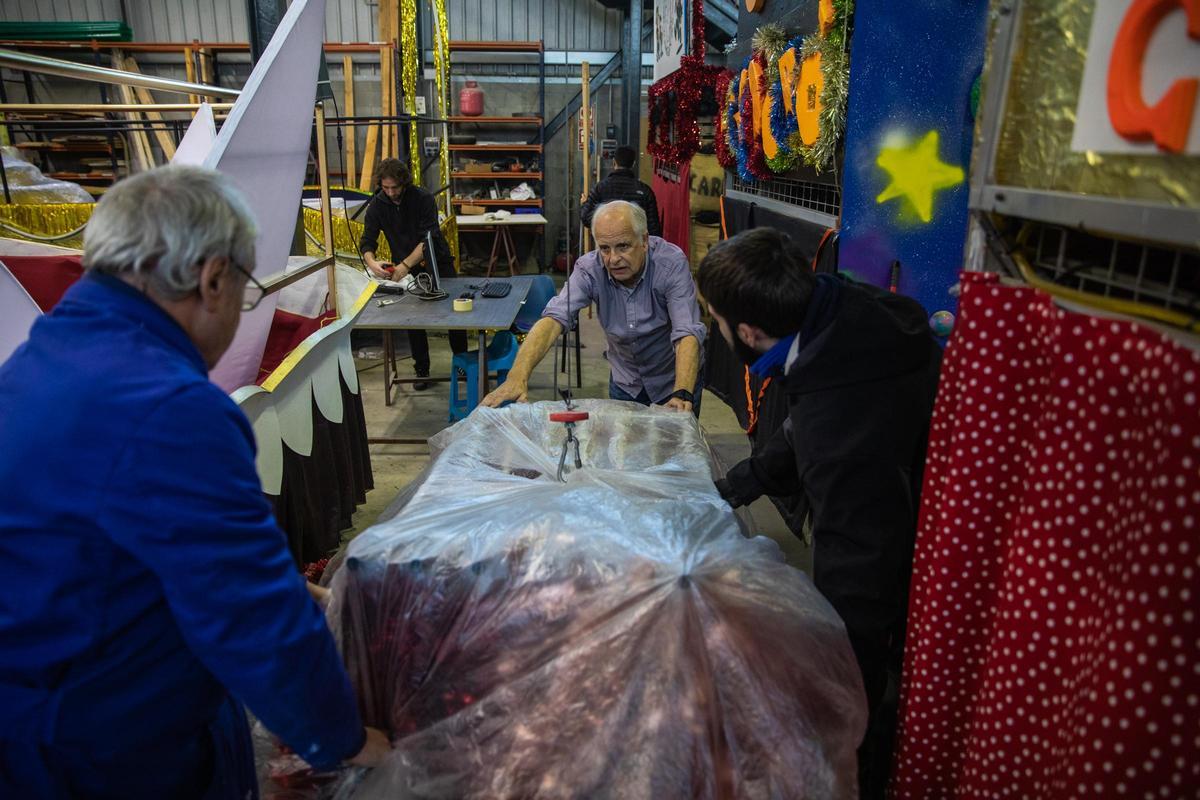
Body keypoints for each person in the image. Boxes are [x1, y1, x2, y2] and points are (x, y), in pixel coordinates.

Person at [0, 165, 388, 798]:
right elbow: (252, 621)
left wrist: (278, 583)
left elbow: (109, 541)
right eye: (247, 294)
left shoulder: (43, 356)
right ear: (212, 281)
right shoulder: (169, 408)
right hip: (108, 750)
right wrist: (344, 738)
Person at [696, 227, 942, 799]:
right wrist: (733, 488)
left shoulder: (843, 432)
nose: (718, 328)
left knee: (868, 655)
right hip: (895, 474)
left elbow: (857, 566)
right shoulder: (834, 310)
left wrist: (834, 710)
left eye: (718, 320)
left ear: (750, 334)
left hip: (923, 533)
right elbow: (796, 426)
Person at [481, 200, 705, 414]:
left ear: (644, 241)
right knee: (624, 451)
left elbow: (686, 332)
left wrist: (683, 391)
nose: (613, 259)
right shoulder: (589, 268)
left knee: (675, 449)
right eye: (605, 248)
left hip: (673, 380)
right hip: (626, 382)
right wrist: (517, 377)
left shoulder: (671, 264)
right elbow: (553, 319)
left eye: (623, 246)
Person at [359, 158, 467, 390]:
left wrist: (404, 266)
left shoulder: (423, 199)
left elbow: (427, 239)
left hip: (437, 261)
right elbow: (367, 241)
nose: (390, 193)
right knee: (412, 319)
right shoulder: (378, 204)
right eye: (386, 188)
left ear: (404, 183)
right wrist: (373, 263)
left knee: (454, 315)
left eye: (395, 188)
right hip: (406, 266)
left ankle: (462, 364)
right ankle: (422, 370)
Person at [580, 146, 662, 238]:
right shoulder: (645, 190)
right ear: (633, 164)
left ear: (614, 162)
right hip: (635, 245)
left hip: (608, 243)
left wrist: (584, 204)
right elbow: (654, 230)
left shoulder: (600, 188)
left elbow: (586, 218)